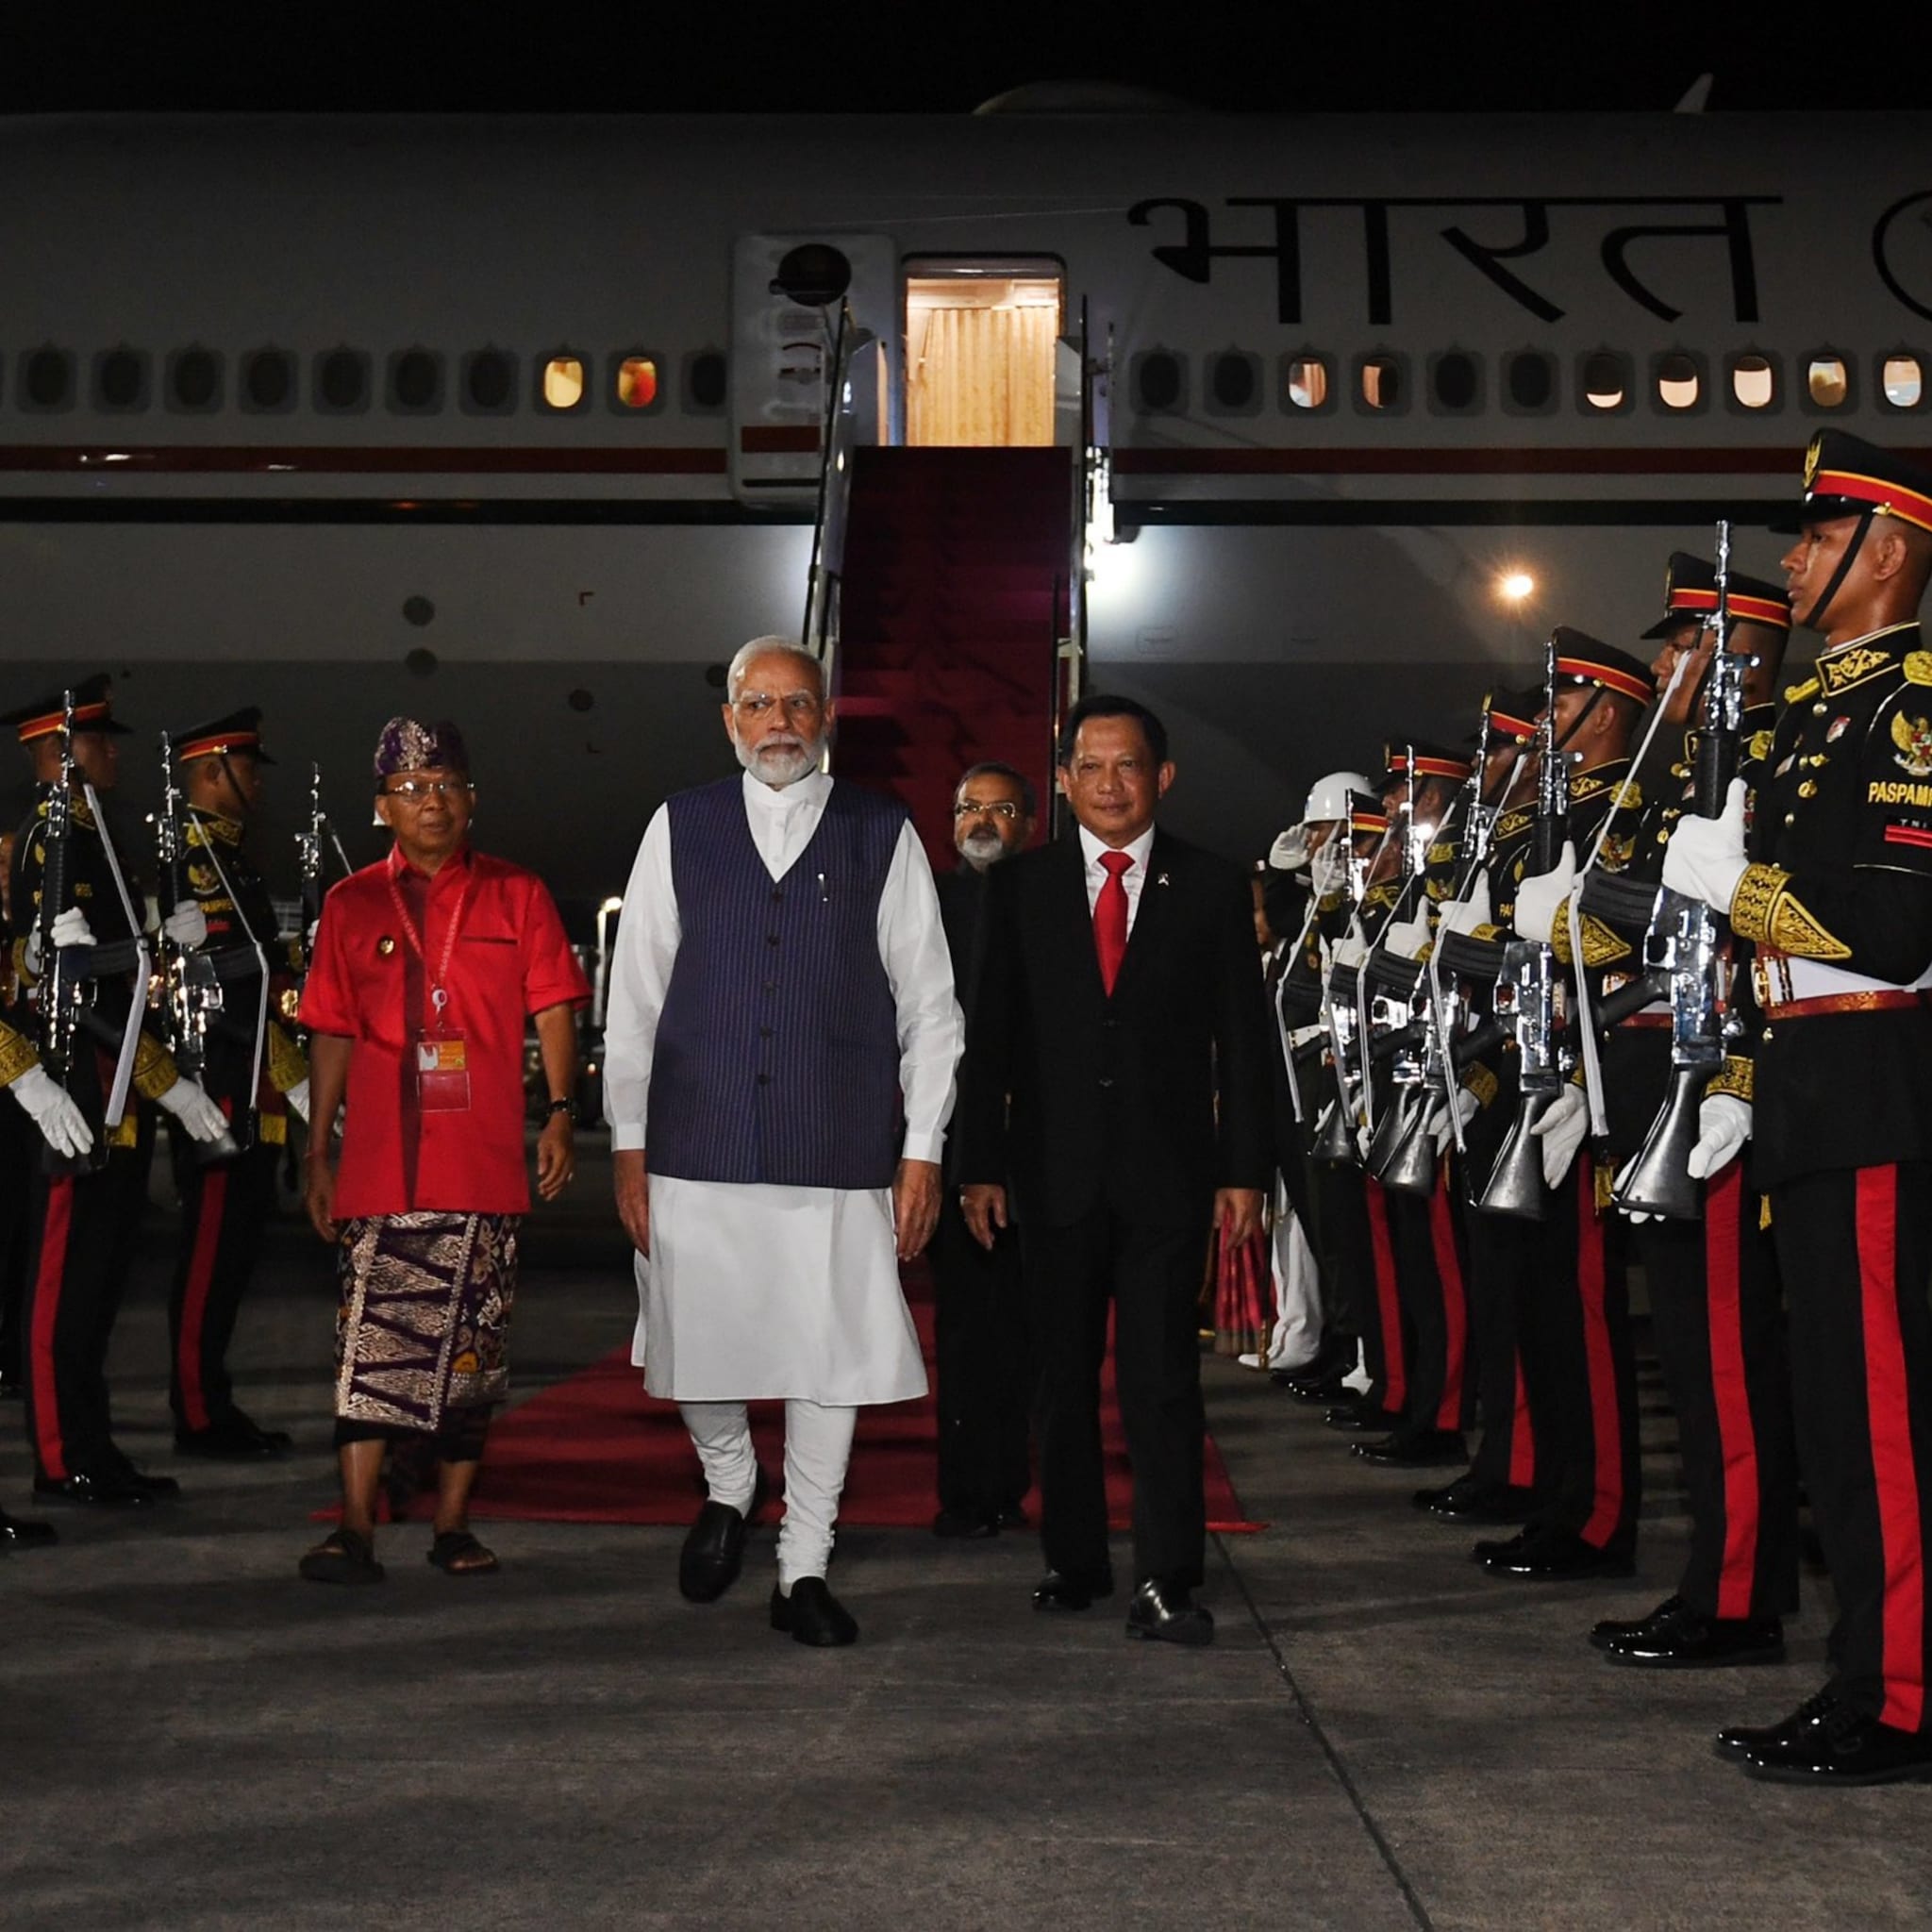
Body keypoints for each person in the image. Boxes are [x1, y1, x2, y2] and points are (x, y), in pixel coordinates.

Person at [603, 637, 961, 1647]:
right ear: (728, 720)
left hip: (836, 1143)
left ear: (825, 717)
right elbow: (633, 996)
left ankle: (802, 1564)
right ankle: (728, 1475)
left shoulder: (878, 828)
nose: (778, 721)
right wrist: (625, 1141)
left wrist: (922, 1145)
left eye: (796, 703)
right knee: (691, 1346)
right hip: (693, 1138)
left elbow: (931, 1006)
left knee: (826, 1358)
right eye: (757, 703)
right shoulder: (679, 824)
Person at [1666, 432, 1932, 1784]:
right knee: (1835, 1411)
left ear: (1885, 553)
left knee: (1879, 1414)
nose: (1791, 560)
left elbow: (1893, 930)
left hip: (1879, 1090)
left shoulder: (1908, 712)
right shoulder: (1824, 712)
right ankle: (1868, 1674)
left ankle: (1902, 1696)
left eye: (1818, 540)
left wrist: (1742, 890)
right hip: (1812, 1094)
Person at [958, 691, 1272, 1646]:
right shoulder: (1018, 888)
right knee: (1060, 1377)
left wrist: (1244, 1171)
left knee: (1161, 1381)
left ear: (1161, 777)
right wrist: (978, 1162)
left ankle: (1168, 1577)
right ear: (1060, 780)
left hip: (1168, 1179)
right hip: (1048, 1176)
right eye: (1088, 766)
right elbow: (990, 1038)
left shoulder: (1213, 886)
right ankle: (1075, 1558)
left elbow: (1243, 1044)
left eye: (1126, 764)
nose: (1108, 782)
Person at [1566, 556, 1801, 1669]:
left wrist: (1740, 1076)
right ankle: (1713, 1574)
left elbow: (1771, 930)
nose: (1664, 662)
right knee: (1696, 1360)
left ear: (1737, 652)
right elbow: (1646, 931)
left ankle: (1739, 1593)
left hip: (1715, 1088)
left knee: (1724, 1359)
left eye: (1685, 643)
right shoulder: (1668, 782)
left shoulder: (1763, 757)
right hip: (1658, 1087)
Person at [297, 716, 587, 1585]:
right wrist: (318, 1150)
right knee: (367, 1353)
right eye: (414, 790)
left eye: (448, 787)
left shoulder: (516, 894)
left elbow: (553, 1008)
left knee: (473, 1358)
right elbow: (331, 1033)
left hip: (482, 1163)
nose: (434, 804)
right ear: (382, 807)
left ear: (473, 800)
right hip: (381, 1166)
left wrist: (564, 1111)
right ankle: (354, 1526)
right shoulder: (349, 905)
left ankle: (453, 1523)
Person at [4, 675, 231, 1507]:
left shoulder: (102, 838)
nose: (113, 753)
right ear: (59, 754)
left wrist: (152, 947)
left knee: (99, 1282)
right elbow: (37, 979)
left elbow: (122, 988)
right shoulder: (46, 837)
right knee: (59, 1283)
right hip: (68, 1083)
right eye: (98, 742)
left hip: (114, 1081)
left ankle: (92, 1446)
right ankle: (61, 1458)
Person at [1472, 633, 1654, 1582]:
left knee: (1580, 1308)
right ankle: (1556, 1494)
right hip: (1527, 1073)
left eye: (1565, 705)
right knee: (1539, 1305)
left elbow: (1633, 936)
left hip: (1587, 1077)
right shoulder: (1537, 818)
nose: (1546, 724)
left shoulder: (1625, 808)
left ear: (1609, 711)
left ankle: (1596, 1514)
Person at [163, 708, 314, 1459]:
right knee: (208, 1258)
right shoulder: (196, 859)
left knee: (234, 1258)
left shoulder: (233, 858)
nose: (256, 779)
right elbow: (223, 986)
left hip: (248, 1080)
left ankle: (212, 1402)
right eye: (246, 766)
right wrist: (293, 1074)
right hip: (220, 1083)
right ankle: (195, 1412)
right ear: (211, 771)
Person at [929, 760, 1037, 1539]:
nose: (984, 822)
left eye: (1001, 810)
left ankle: (1014, 1482)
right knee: (963, 1331)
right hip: (946, 1141)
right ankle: (965, 1491)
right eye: (970, 807)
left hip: (1035, 1146)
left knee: (1027, 1333)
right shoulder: (923, 904)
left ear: (1028, 825)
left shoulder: (1048, 899)